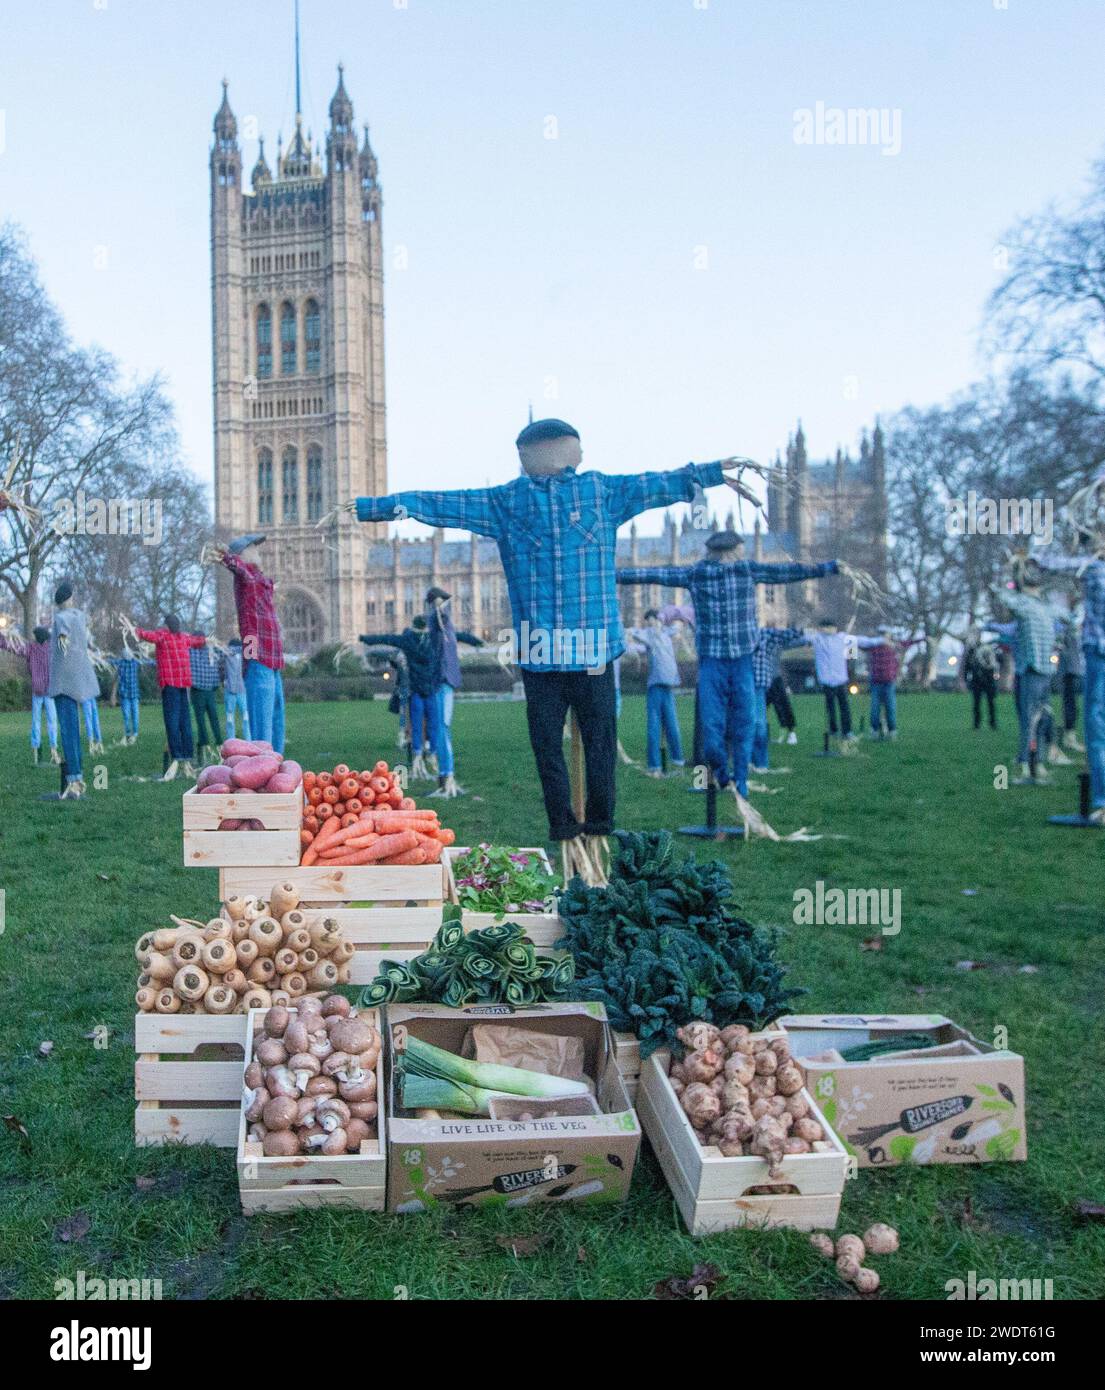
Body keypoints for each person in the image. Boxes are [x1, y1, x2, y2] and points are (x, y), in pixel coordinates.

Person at [332, 417, 748, 876]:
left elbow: (438, 504)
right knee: (599, 745)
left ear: (526, 459)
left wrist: (373, 507)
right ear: (573, 453)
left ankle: (567, 828)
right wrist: (711, 473)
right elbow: (660, 484)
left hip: (542, 655)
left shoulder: (508, 501)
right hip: (590, 654)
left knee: (549, 747)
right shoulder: (600, 492)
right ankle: (598, 827)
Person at [617, 530, 839, 802]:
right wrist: (828, 568)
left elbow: (651, 574)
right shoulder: (706, 573)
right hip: (717, 662)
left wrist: (828, 568)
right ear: (732, 551)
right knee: (720, 726)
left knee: (733, 723)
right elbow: (789, 571)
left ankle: (739, 780)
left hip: (733, 662)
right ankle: (725, 774)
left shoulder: (734, 571)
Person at [1035, 531, 1105, 820]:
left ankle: (1101, 802)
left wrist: (1033, 558)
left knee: (1095, 722)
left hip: (1098, 653)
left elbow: (1054, 563)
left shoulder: (1094, 568)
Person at [206, 535, 285, 754]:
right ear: (242, 554)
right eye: (253, 548)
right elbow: (237, 568)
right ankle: (264, 771)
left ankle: (278, 768)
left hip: (273, 662)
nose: (258, 552)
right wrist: (227, 557)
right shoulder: (246, 578)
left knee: (277, 720)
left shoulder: (260, 581)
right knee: (262, 728)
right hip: (259, 659)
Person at [987, 559, 1060, 782]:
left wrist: (1009, 573)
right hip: (1046, 671)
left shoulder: (1025, 606)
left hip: (1030, 670)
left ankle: (1029, 767)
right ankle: (1039, 763)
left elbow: (1001, 595)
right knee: (1042, 716)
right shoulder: (1047, 608)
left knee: (1028, 720)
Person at [124, 613, 205, 781]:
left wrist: (133, 629)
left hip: (170, 686)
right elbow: (198, 642)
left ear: (167, 626)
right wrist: (207, 640)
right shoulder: (184, 637)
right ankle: (187, 756)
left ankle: (177, 756)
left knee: (172, 723)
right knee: (185, 722)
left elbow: (146, 635)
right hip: (184, 685)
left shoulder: (163, 637)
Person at [360, 616, 441, 779]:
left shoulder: (407, 645)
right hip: (422, 691)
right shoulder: (431, 642)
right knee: (422, 723)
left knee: (416, 723)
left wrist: (366, 640)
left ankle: (417, 751)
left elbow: (386, 640)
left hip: (414, 691)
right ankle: (425, 750)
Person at [425, 586, 484, 797]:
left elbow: (451, 631)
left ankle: (446, 776)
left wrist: (476, 640)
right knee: (442, 728)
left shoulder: (443, 624)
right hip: (442, 681)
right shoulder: (440, 624)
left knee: (443, 727)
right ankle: (445, 776)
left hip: (444, 681)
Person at [47, 582, 101, 798]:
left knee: (68, 732)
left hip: (64, 680)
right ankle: (78, 775)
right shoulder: (80, 617)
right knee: (75, 730)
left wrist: (61, 652)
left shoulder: (61, 619)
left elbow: (62, 644)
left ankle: (73, 780)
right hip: (79, 680)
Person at [625, 609, 686, 776]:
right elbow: (677, 628)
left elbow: (634, 633)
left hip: (657, 686)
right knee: (672, 724)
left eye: (649, 620)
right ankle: (678, 760)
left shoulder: (651, 633)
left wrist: (628, 633)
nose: (649, 623)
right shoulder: (666, 632)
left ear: (652, 619)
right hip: (669, 684)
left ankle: (655, 766)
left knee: (654, 726)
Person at [0, 624, 60, 764]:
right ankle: (53, 750)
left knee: (36, 721)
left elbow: (13, 647)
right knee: (52, 721)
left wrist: (2, 639)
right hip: (49, 690)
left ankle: (36, 749)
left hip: (37, 689)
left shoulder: (30, 648)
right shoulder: (51, 648)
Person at [750, 626, 807, 769]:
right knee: (761, 713)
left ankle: (790, 731)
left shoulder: (770, 640)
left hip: (772, 678)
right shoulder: (768, 639)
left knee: (780, 706)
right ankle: (761, 752)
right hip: (765, 678)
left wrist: (807, 637)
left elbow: (794, 641)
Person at [855, 627, 919, 740]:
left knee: (890, 708)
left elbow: (908, 643)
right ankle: (874, 730)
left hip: (889, 682)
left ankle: (892, 730)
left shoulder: (893, 646)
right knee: (875, 708)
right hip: (876, 682)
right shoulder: (873, 647)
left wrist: (923, 639)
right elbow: (857, 644)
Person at [807, 619, 858, 741]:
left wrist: (851, 663)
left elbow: (852, 654)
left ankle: (847, 731)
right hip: (827, 680)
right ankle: (833, 729)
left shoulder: (843, 638)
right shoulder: (818, 639)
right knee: (830, 707)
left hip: (841, 679)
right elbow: (806, 638)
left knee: (844, 707)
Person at [108, 641, 151, 745]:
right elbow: (110, 661)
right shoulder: (122, 663)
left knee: (134, 714)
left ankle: (134, 734)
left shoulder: (134, 662)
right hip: (125, 695)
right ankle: (128, 734)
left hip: (133, 694)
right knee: (127, 715)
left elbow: (149, 662)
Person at [189, 636, 223, 764]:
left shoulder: (192, 652)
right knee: (212, 719)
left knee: (202, 721)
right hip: (207, 690)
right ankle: (216, 745)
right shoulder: (212, 651)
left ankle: (206, 747)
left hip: (200, 691)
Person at [1057, 616, 1085, 752]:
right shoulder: (1071, 631)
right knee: (1071, 705)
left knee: (1071, 705)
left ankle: (1068, 736)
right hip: (1071, 671)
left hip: (1074, 671)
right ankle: (1069, 738)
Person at [963, 629, 999, 731]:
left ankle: (993, 723)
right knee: (976, 703)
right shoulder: (971, 650)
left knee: (991, 703)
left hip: (988, 679)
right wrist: (966, 678)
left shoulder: (986, 648)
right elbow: (967, 665)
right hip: (976, 680)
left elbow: (993, 663)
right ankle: (976, 724)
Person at [220, 636, 250, 740]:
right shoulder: (242, 655)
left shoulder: (225, 655)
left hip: (232, 690)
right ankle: (247, 740)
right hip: (239, 690)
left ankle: (231, 740)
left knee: (231, 718)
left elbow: (221, 668)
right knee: (244, 717)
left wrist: (223, 681)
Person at [766, 672, 798, 744]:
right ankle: (764, 735)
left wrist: (786, 685)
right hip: (763, 679)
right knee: (760, 708)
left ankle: (791, 734)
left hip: (774, 679)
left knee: (783, 707)